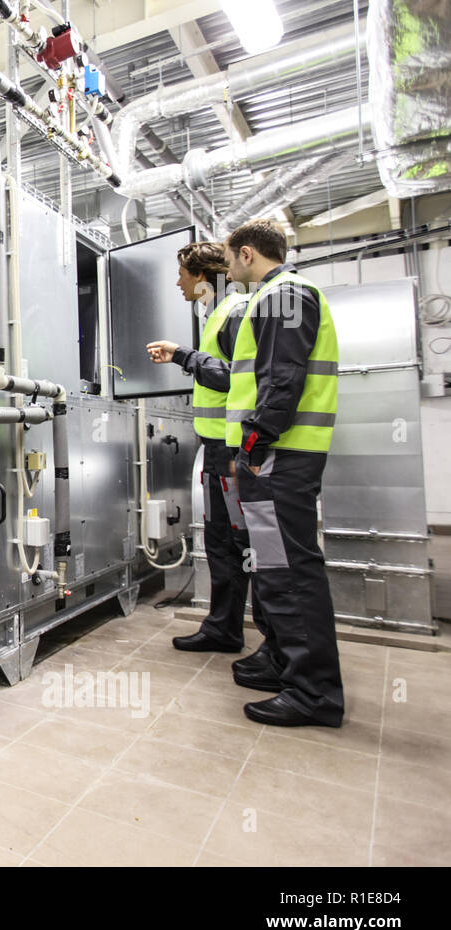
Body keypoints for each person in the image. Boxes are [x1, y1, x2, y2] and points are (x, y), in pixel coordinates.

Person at [223, 218, 343, 728]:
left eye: (230, 258)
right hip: (278, 454)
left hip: (279, 454)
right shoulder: (279, 296)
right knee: (275, 568)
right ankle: (283, 660)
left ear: (248, 254)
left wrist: (253, 441)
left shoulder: (285, 295)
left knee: (290, 571)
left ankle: (313, 693)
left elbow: (282, 378)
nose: (228, 268)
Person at [145, 243, 251, 653]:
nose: (178, 282)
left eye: (183, 275)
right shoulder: (216, 313)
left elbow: (236, 378)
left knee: (238, 543)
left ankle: (247, 635)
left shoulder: (233, 313)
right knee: (221, 541)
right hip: (216, 447)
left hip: (231, 450)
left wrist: (183, 355)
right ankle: (223, 629)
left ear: (201, 276)